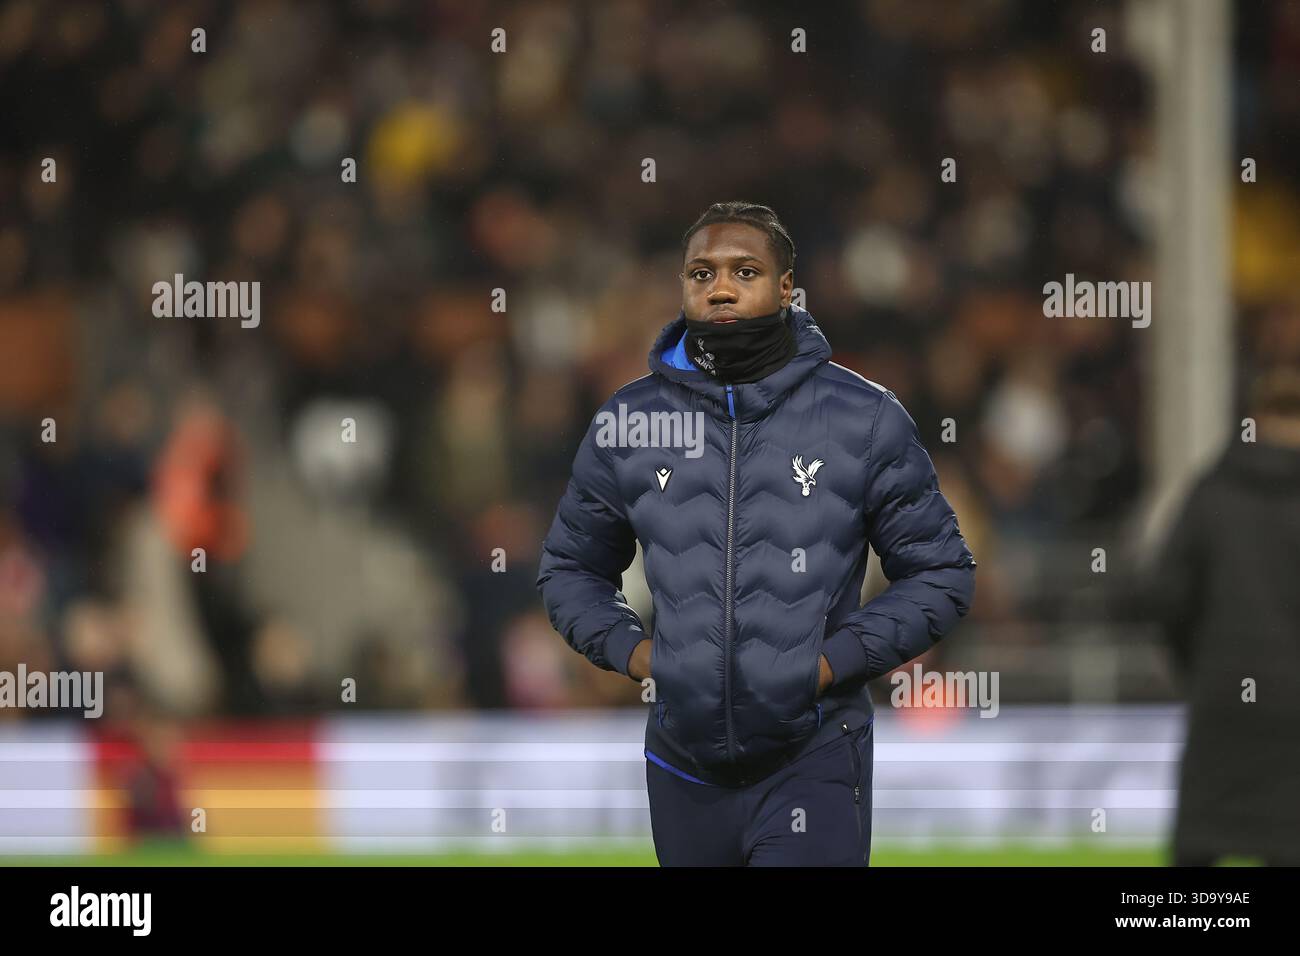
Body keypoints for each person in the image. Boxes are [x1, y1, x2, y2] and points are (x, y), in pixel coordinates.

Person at [536, 202, 976, 866]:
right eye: (700, 273)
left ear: (787, 289)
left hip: (816, 756)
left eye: (745, 270)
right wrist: (635, 652)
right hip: (682, 768)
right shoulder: (629, 422)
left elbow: (943, 572)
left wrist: (831, 664)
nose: (719, 287)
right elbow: (569, 569)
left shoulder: (864, 418)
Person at [1145, 366, 1300, 867]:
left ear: (1253, 417)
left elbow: (1165, 595)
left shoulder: (1211, 493)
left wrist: (1199, 667)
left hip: (1223, 697)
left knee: (1198, 856)